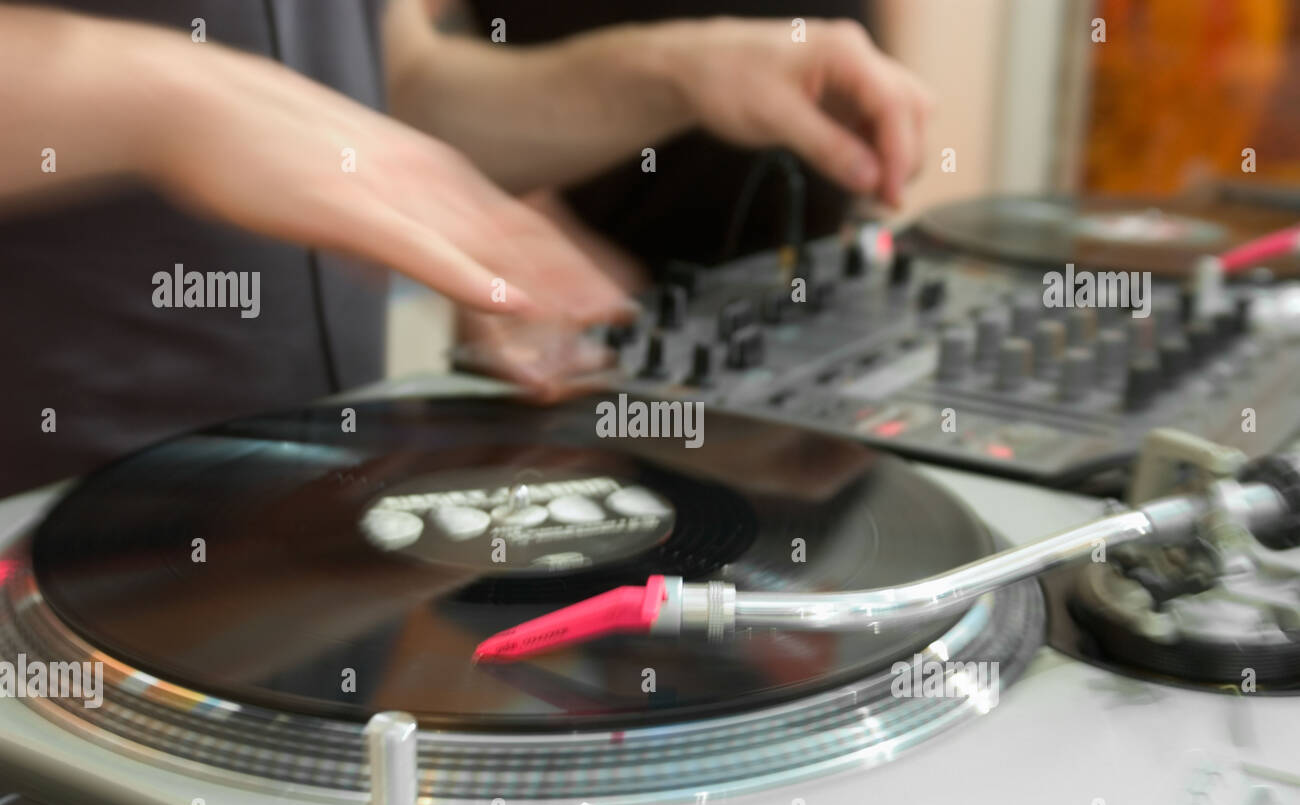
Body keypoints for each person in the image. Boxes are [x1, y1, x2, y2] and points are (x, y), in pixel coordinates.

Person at [0, 0, 931, 496]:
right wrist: (171, 95)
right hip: (46, 568)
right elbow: (240, 108)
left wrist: (674, 68)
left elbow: (398, 83)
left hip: (301, 533)